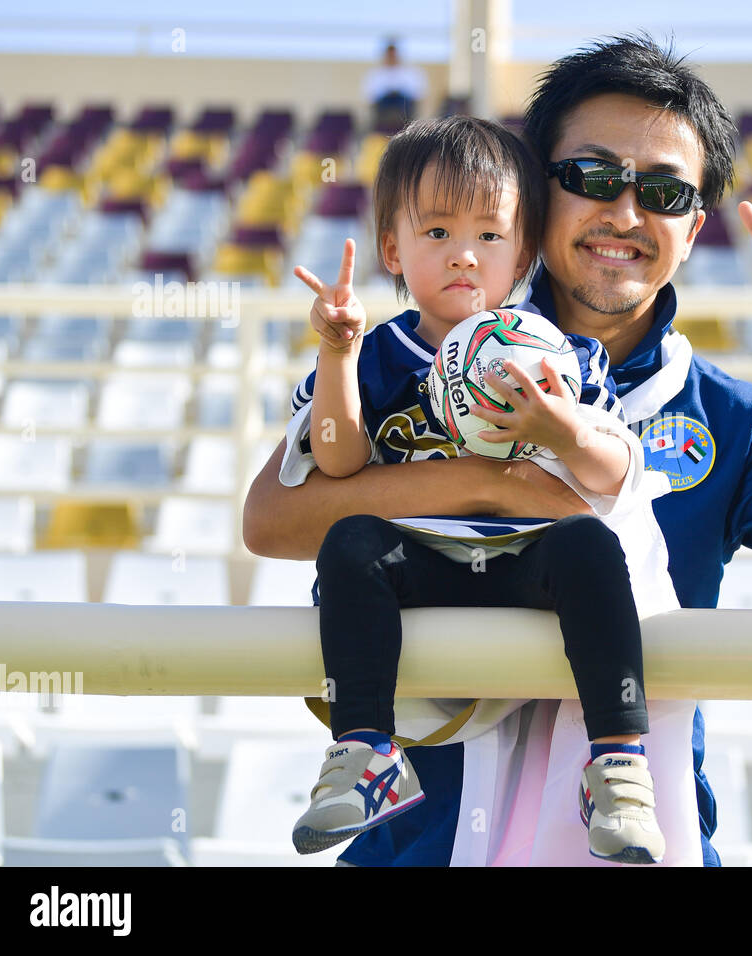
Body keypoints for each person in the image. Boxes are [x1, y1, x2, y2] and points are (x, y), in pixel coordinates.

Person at [243, 33, 752, 867]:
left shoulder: (735, 416)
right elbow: (274, 520)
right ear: (535, 192)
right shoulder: (425, 349)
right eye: (592, 178)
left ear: (695, 226)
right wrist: (490, 485)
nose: (624, 214)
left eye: (663, 192)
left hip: (629, 842)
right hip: (414, 842)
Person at [284, 115, 673, 863]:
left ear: (524, 250)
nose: (464, 255)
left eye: (490, 236)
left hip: (527, 565)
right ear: (393, 249)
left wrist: (562, 429)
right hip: (420, 568)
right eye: (436, 233)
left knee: (589, 544)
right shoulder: (380, 355)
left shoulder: (563, 355)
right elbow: (334, 464)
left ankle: (619, 761)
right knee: (351, 539)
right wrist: (337, 356)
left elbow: (615, 477)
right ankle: (364, 751)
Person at [365, 39, 427, 131]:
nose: (391, 57)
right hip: (383, 105)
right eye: (389, 55)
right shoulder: (375, 74)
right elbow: (370, 96)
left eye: (393, 54)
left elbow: (417, 94)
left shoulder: (410, 73)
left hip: (403, 105)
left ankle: (407, 128)